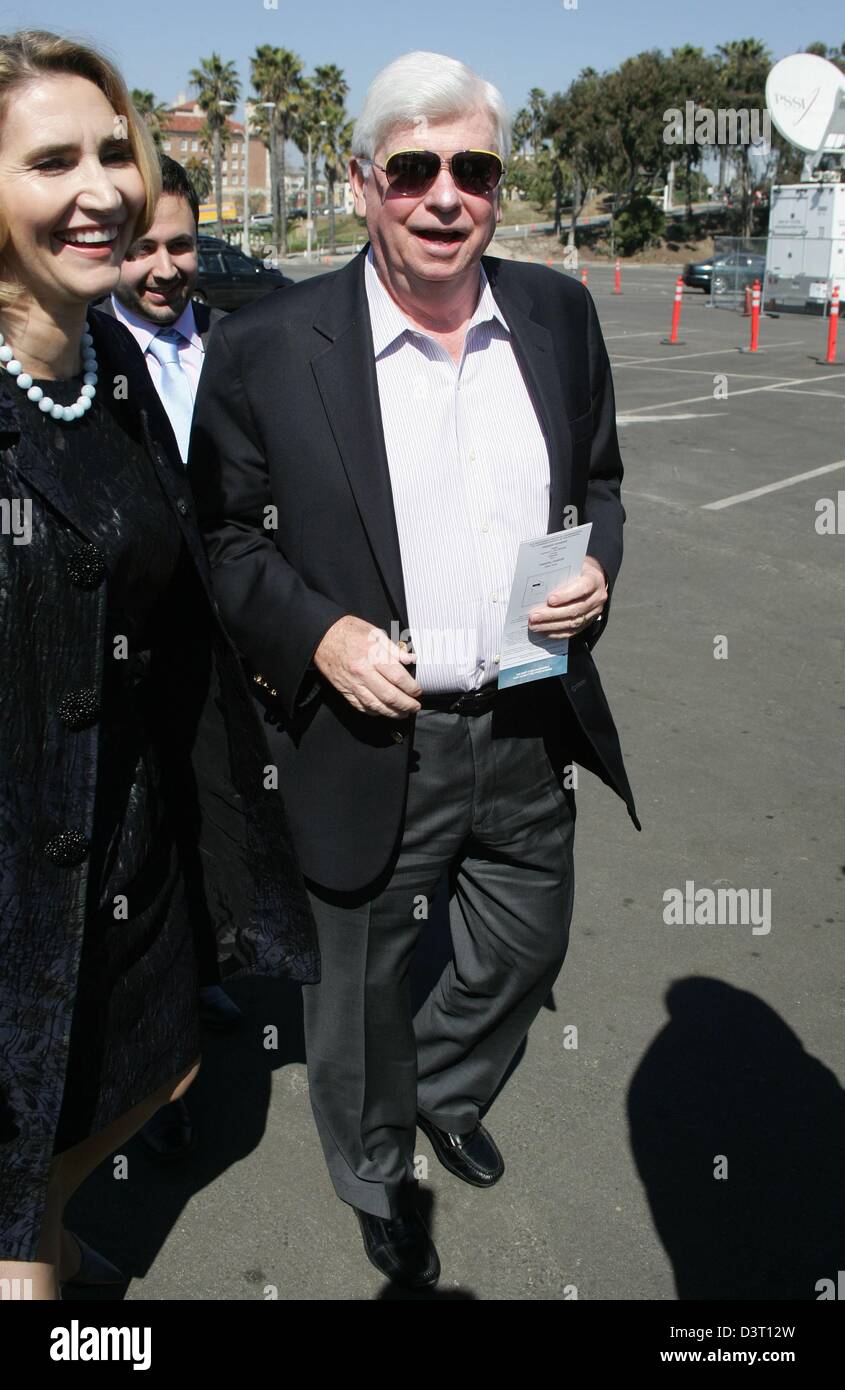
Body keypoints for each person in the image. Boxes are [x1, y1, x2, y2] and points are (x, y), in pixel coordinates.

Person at [189, 49, 639, 1291]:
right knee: (360, 993)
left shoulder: (554, 312)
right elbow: (218, 535)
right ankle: (377, 1167)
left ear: (497, 181)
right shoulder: (271, 344)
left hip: (525, 718)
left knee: (521, 946)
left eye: (474, 168)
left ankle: (440, 1088)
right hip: (370, 734)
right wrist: (319, 634)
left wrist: (597, 564)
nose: (446, 196)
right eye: (414, 168)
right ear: (362, 180)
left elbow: (598, 481)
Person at [0, 29, 317, 1301]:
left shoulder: (112, 358)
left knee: (162, 1074)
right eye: (50, 161)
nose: (102, 189)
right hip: (16, 900)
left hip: (130, 865)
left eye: (113, 153)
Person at [95, 155, 252, 1159]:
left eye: (181, 244)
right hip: (122, 661)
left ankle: (201, 975)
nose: (163, 266)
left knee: (212, 825)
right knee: (130, 867)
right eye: (141, 245)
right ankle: (146, 1086)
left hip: (221, 649)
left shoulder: (235, 344)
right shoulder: (78, 359)